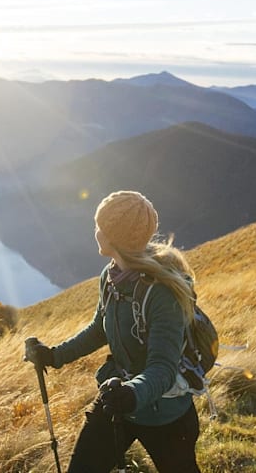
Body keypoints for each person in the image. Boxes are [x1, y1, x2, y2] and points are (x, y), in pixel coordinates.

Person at [25, 190, 202, 472]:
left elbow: (163, 367)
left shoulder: (162, 294)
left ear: (113, 237)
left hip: (164, 414)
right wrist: (54, 356)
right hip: (118, 400)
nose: (95, 231)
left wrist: (132, 393)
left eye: (100, 226)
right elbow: (100, 329)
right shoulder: (111, 276)